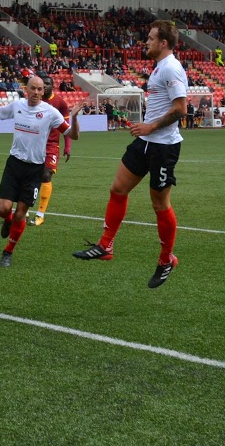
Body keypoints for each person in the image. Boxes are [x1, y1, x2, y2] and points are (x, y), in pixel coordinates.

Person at [73, 19, 189, 289]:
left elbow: (181, 109)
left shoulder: (172, 68)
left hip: (163, 146)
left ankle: (166, 260)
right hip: (146, 141)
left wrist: (151, 125)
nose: (145, 42)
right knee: (117, 189)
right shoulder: (160, 67)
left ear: (163, 43)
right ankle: (105, 246)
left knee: (160, 205)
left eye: (150, 38)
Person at [0, 70, 69, 267]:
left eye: (39, 89)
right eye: (33, 88)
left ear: (43, 91)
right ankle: (7, 220)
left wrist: (75, 121)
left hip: (35, 169)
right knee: (3, 210)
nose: (36, 92)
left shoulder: (51, 111)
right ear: (25, 90)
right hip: (14, 164)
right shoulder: (18, 105)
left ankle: (8, 252)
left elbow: (71, 133)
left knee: (21, 214)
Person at [32, 80, 78, 226]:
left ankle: (40, 214)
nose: (44, 87)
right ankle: (24, 209)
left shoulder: (60, 103)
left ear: (53, 86)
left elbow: (66, 127)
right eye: (42, 85)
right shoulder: (35, 101)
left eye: (47, 84)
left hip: (52, 145)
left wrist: (67, 147)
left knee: (46, 175)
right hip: (35, 143)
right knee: (30, 175)